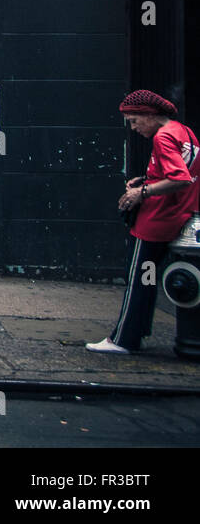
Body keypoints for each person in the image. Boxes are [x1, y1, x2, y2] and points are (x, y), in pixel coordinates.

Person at [88, 90, 200, 353]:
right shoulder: (184, 132)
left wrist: (143, 192)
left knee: (139, 280)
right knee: (147, 279)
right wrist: (146, 181)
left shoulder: (163, 138)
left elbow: (179, 178)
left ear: (150, 115)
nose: (135, 128)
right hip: (176, 217)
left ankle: (124, 339)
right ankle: (137, 330)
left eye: (135, 121)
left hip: (154, 222)